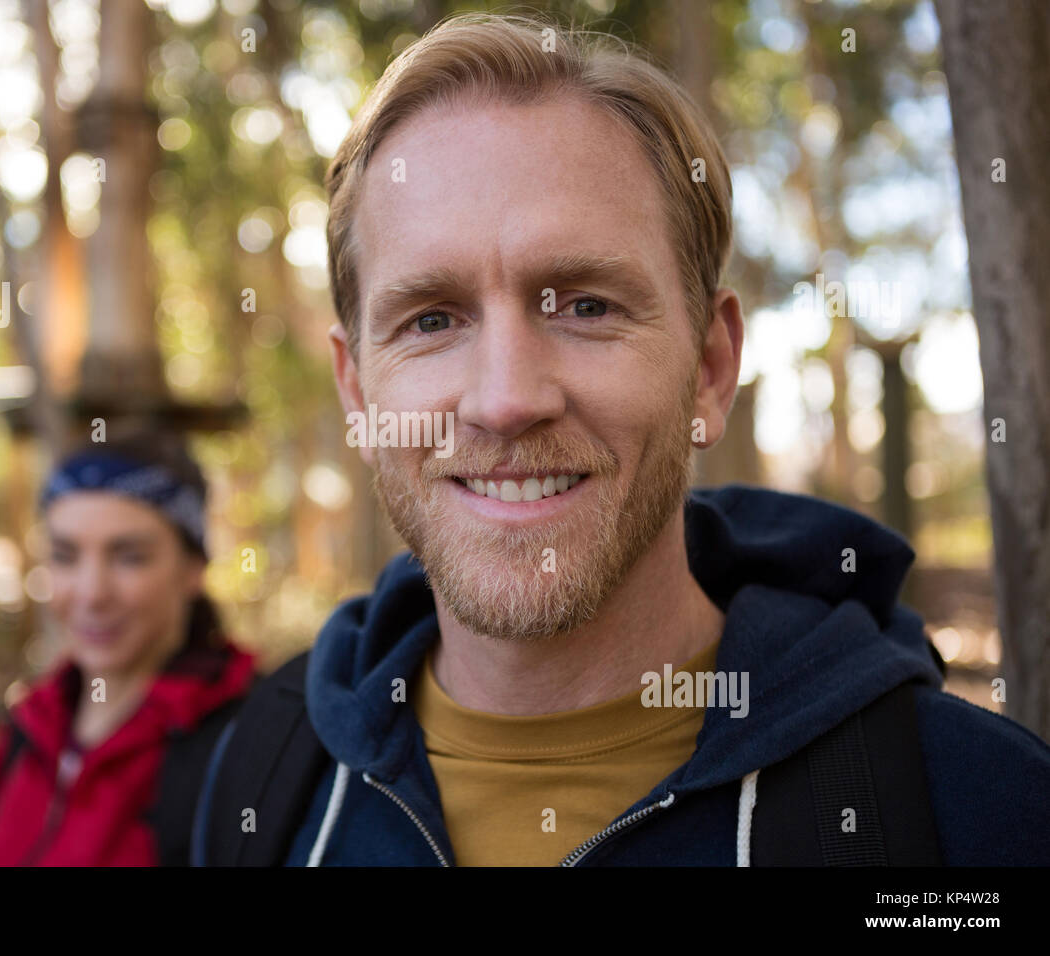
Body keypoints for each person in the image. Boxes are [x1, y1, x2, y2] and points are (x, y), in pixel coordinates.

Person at [190, 12, 1050, 866]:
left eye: (587, 306)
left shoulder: (977, 816)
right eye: (432, 319)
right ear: (357, 392)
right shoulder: (265, 781)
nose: (505, 400)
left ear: (710, 370)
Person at [0, 435, 254, 866]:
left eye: (130, 557)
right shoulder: (27, 728)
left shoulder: (246, 744)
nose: (92, 593)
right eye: (65, 556)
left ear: (193, 569)